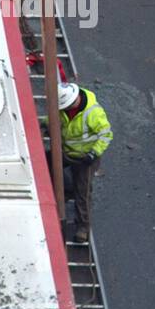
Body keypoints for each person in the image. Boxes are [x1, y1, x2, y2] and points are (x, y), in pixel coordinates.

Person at [51, 81, 113, 244]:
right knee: (46, 162)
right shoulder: (64, 109)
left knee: (83, 192)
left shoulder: (92, 113)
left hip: (86, 158)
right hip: (67, 152)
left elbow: (106, 134)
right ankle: (63, 192)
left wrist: (93, 153)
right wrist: (43, 123)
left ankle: (83, 228)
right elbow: (56, 120)